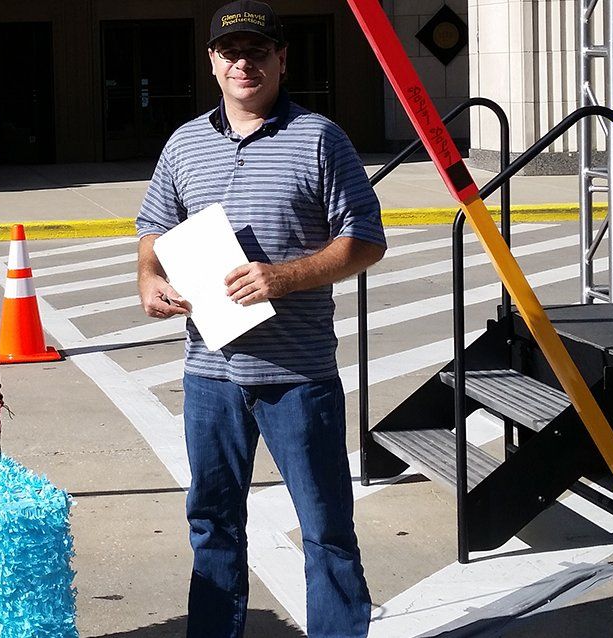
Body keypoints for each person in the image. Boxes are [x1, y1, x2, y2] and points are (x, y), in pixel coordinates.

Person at [134, 2, 386, 636]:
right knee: (212, 524)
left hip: (298, 376)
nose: (243, 62)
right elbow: (153, 230)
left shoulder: (321, 138)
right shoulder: (185, 143)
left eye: (257, 50)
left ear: (281, 58)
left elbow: (365, 239)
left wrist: (284, 276)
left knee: (325, 526)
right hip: (210, 375)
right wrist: (149, 277)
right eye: (230, 51)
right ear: (213, 62)